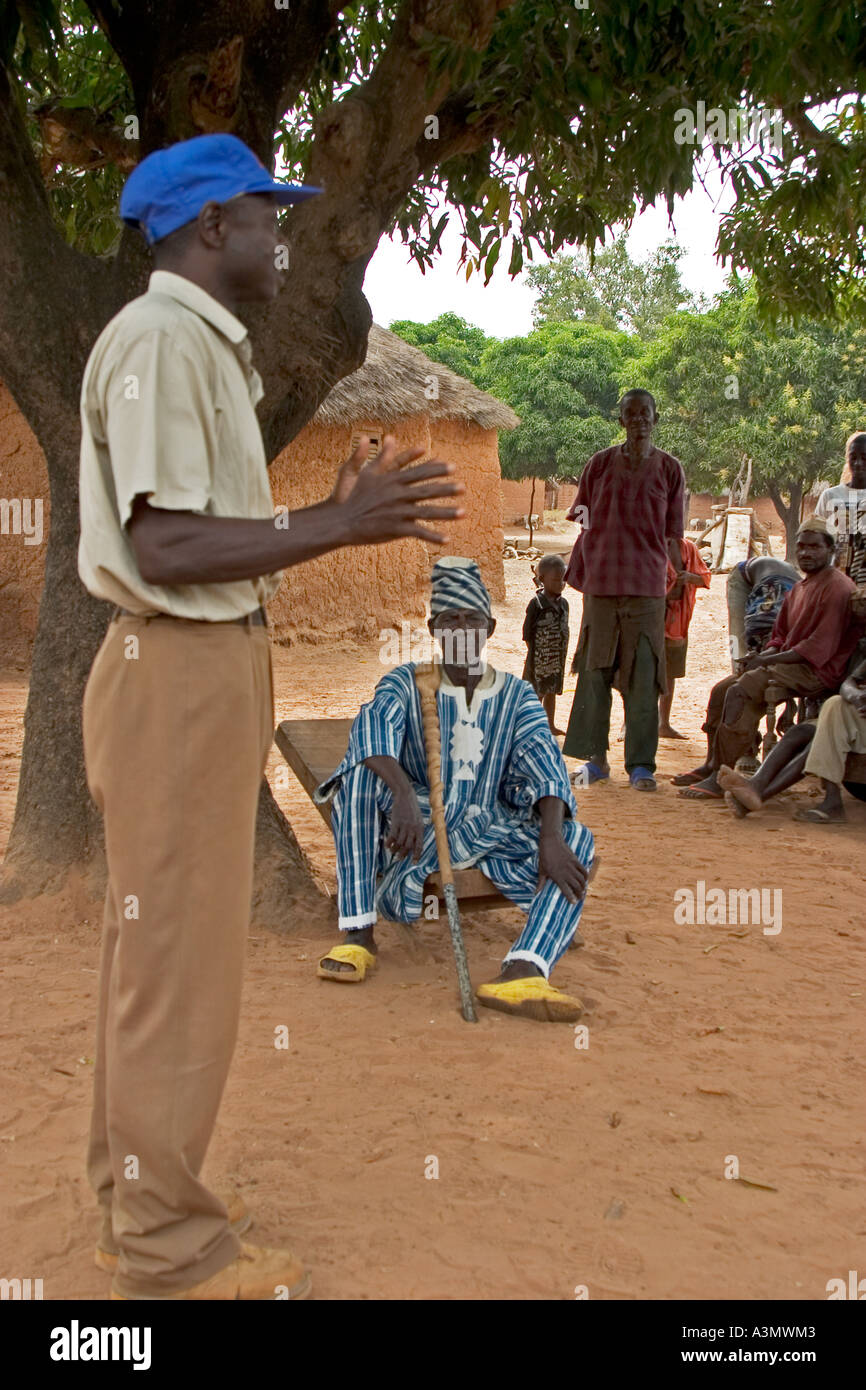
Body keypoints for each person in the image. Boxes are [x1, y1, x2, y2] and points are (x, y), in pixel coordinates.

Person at [78, 134, 465, 1301]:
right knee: (177, 963)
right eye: (262, 213)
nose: (275, 234)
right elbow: (166, 543)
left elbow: (199, 529)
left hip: (194, 670)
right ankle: (166, 1249)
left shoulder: (192, 346)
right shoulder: (155, 343)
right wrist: (334, 529)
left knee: (156, 954)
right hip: (176, 674)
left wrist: (317, 512)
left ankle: (138, 1195)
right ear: (208, 226)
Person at [314, 556, 595, 1024]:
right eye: (450, 619)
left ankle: (525, 968)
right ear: (433, 628)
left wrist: (549, 836)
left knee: (574, 837)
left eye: (471, 619)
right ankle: (358, 934)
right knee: (359, 778)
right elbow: (371, 732)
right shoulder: (406, 682)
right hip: (419, 831)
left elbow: (544, 761)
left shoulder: (516, 695)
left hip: (490, 828)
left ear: (489, 627)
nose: (461, 628)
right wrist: (403, 794)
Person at [679, 518, 859, 800]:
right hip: (794, 664)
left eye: (814, 547)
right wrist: (762, 655)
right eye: (801, 547)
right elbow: (780, 635)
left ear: (830, 550)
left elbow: (817, 649)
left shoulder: (837, 588)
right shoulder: (801, 587)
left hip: (818, 671)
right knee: (722, 690)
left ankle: (720, 775)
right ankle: (712, 764)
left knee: (742, 690)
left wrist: (764, 663)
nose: (806, 553)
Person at [562, 389, 686, 791]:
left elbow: (673, 533)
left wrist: (679, 574)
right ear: (621, 421)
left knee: (644, 673)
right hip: (601, 584)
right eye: (630, 414)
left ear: (655, 418)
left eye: (645, 413)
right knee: (595, 670)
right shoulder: (597, 465)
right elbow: (581, 516)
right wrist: (591, 553)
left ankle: (641, 765)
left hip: (647, 586)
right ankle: (596, 760)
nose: (638, 420)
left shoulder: (670, 469)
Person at [659, 536, 710, 739]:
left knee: (670, 673)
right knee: (642, 671)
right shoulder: (649, 542)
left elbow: (704, 577)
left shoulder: (687, 548)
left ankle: (664, 723)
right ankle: (629, 724)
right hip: (650, 615)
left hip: (678, 619)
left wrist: (688, 577)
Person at [522, 553, 570, 732]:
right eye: (557, 580)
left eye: (564, 580)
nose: (561, 584)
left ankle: (550, 724)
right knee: (537, 693)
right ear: (542, 579)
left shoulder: (564, 604)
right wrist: (536, 654)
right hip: (538, 660)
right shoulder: (536, 604)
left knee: (551, 692)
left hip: (557, 659)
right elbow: (527, 632)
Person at [814, 431, 866, 582]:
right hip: (836, 580)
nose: (858, 463)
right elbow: (817, 535)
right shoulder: (830, 496)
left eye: (864, 458)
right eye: (853, 457)